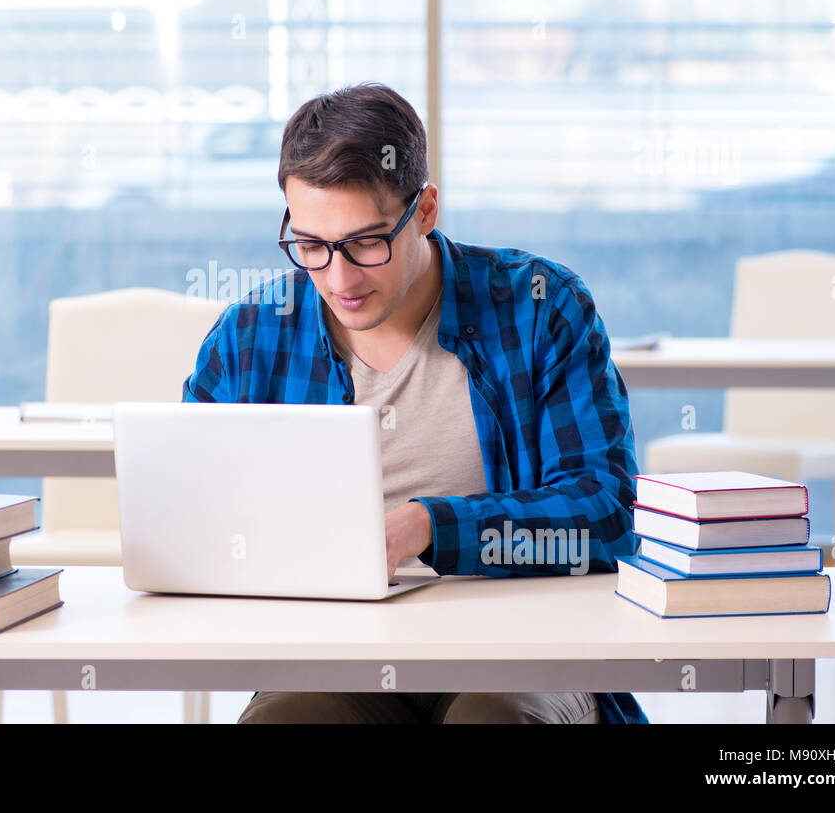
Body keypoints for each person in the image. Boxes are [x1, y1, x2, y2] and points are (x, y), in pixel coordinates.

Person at [181, 82, 648, 724]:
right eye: (311, 244)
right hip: (333, 655)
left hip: (518, 648)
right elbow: (192, 516)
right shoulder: (250, 337)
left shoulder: (541, 307)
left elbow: (606, 511)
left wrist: (431, 526)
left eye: (366, 242)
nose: (338, 279)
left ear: (425, 210)